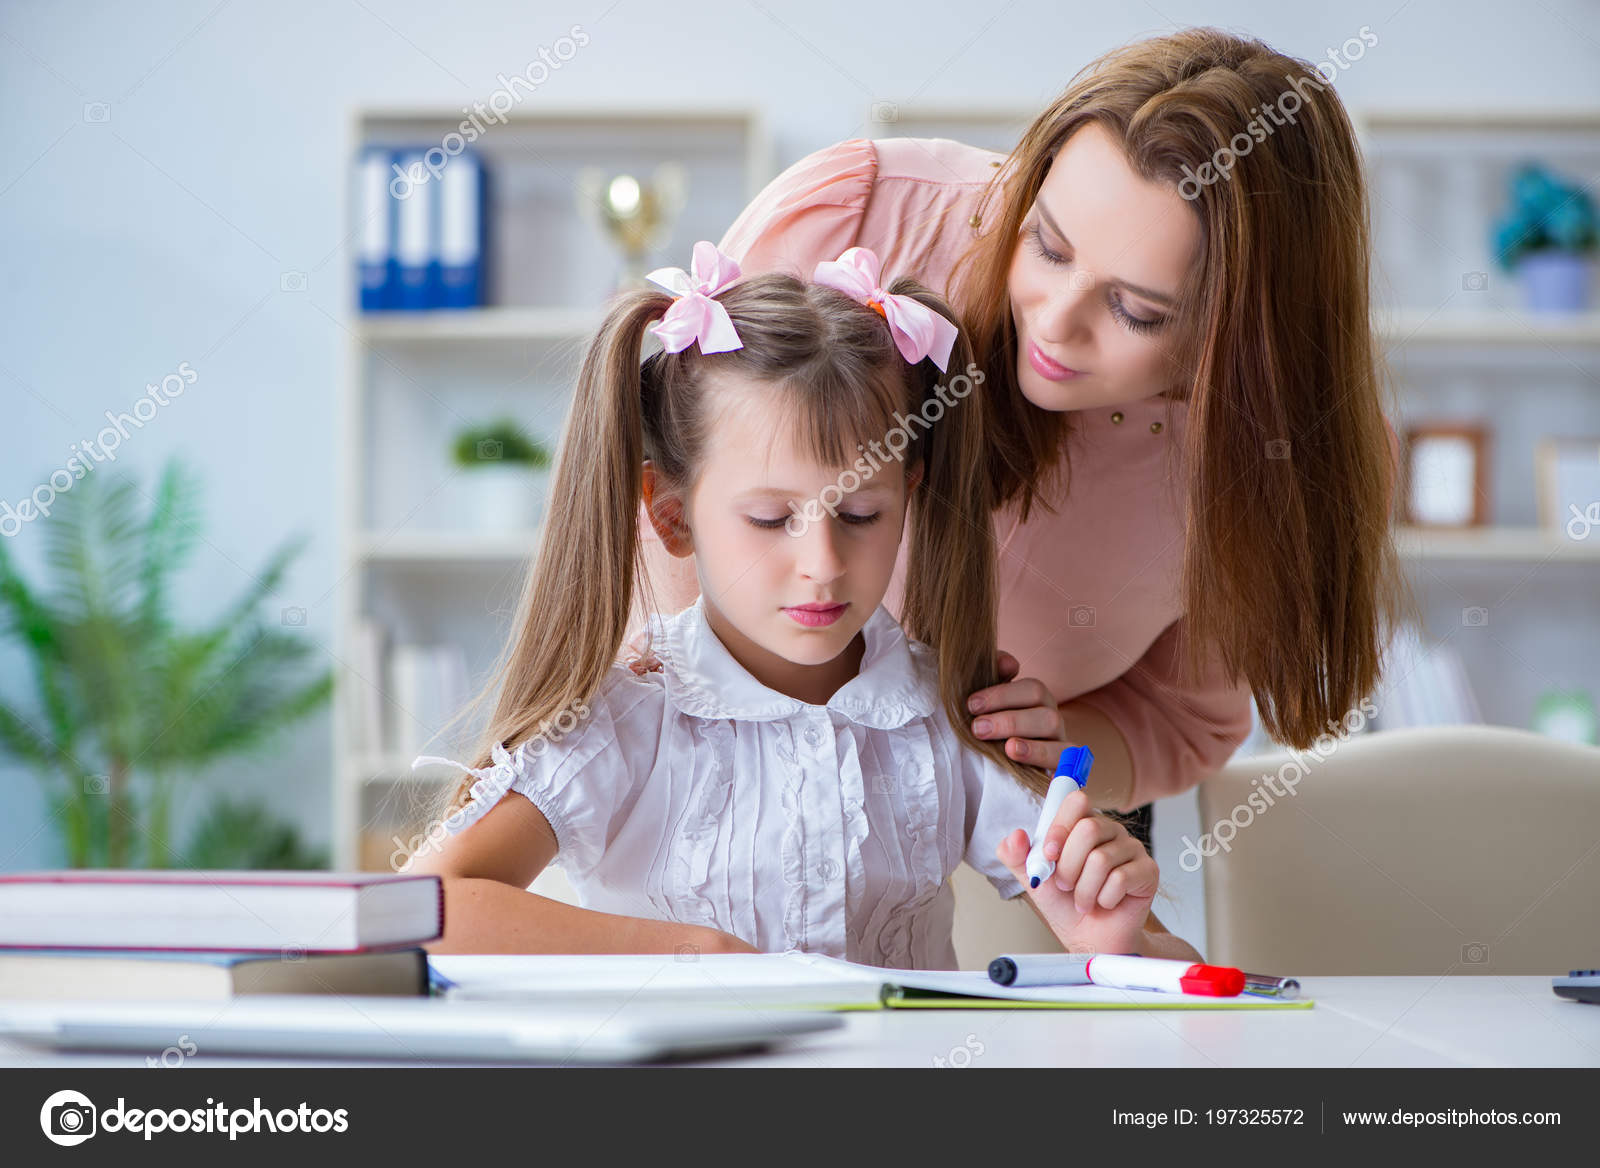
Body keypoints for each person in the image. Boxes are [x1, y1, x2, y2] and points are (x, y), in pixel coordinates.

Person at [630, 27, 1402, 856]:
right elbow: (679, 506)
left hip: (998, 831)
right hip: (702, 785)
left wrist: (1047, 747)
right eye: (1047, 245)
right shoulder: (864, 222)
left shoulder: (1279, 461)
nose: (1055, 320)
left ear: (1247, 336)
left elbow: (1178, 721)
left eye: (1137, 311)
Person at [406, 242, 1197, 967]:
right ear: (673, 517)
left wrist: (1115, 940)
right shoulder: (623, 718)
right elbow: (427, 910)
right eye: (770, 520)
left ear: (909, 494)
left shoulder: (947, 713)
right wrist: (692, 952)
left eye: (861, 516)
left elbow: (1172, 984)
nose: (822, 565)